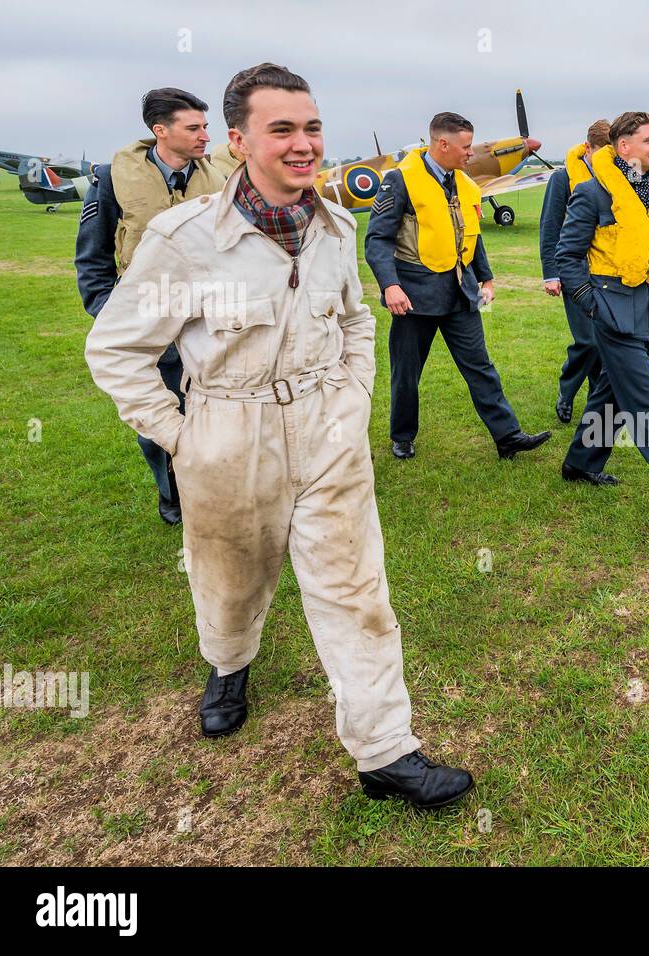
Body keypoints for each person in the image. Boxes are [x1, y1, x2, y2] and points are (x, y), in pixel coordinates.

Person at [85, 63, 473, 811]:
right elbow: (116, 350)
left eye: (313, 127)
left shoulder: (335, 224)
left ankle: (385, 750)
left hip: (328, 432)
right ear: (238, 140)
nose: (304, 145)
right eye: (283, 129)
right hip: (229, 440)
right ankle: (228, 667)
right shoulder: (186, 238)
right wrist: (182, 436)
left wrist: (354, 392)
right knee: (230, 588)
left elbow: (358, 319)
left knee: (359, 596)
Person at [75, 87, 228, 525]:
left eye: (205, 127)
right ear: (160, 131)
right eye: (193, 127)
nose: (204, 136)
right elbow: (93, 254)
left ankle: (211, 490)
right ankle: (171, 494)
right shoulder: (110, 178)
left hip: (207, 316)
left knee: (213, 407)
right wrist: (108, 312)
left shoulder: (218, 179)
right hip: (147, 315)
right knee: (156, 413)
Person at [363, 112, 550, 461]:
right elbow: (377, 239)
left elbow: (472, 236)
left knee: (481, 367)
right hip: (412, 296)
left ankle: (507, 436)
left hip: (460, 294)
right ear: (442, 143)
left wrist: (486, 277)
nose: (470, 152)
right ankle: (402, 436)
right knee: (406, 372)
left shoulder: (466, 184)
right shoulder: (400, 181)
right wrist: (390, 285)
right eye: (465, 146)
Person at [555, 111, 649, 526]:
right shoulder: (593, 193)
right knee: (644, 403)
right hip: (612, 308)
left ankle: (580, 463)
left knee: (612, 392)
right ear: (623, 147)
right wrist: (590, 303)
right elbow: (566, 257)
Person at [539, 119, 609, 424]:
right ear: (589, 147)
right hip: (574, 271)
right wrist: (551, 273)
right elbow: (550, 227)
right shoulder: (563, 178)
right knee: (588, 340)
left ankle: (596, 406)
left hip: (608, 272)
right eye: (601, 153)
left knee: (604, 342)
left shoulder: (617, 176)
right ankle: (567, 391)